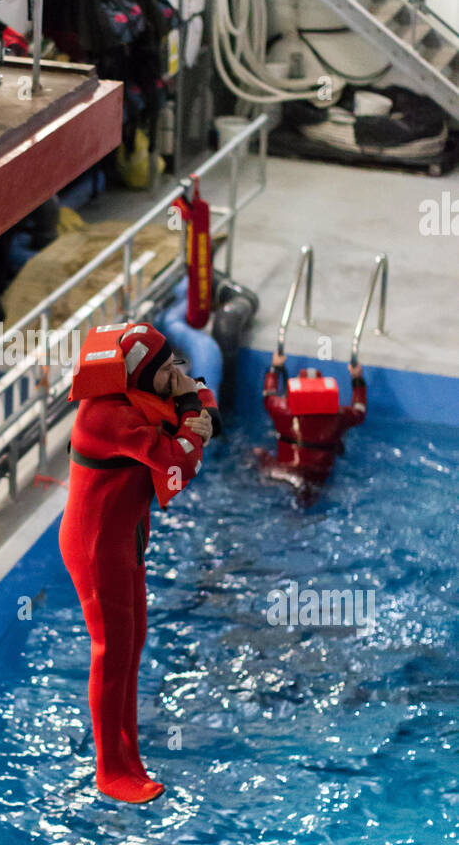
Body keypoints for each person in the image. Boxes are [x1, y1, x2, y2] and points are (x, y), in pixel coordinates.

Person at [59, 322, 219, 804]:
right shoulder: (108, 417)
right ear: (143, 376)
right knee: (111, 652)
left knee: (132, 646)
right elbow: (174, 461)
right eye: (167, 368)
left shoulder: (135, 399)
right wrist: (195, 423)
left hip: (123, 537)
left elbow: (196, 404)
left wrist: (192, 409)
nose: (177, 374)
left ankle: (130, 754)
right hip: (95, 545)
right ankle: (109, 770)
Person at [257, 351, 367, 497]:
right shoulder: (339, 416)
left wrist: (275, 367)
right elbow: (360, 410)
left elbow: (268, 394)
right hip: (318, 479)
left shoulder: (281, 410)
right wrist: (357, 378)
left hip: (283, 473)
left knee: (257, 452)